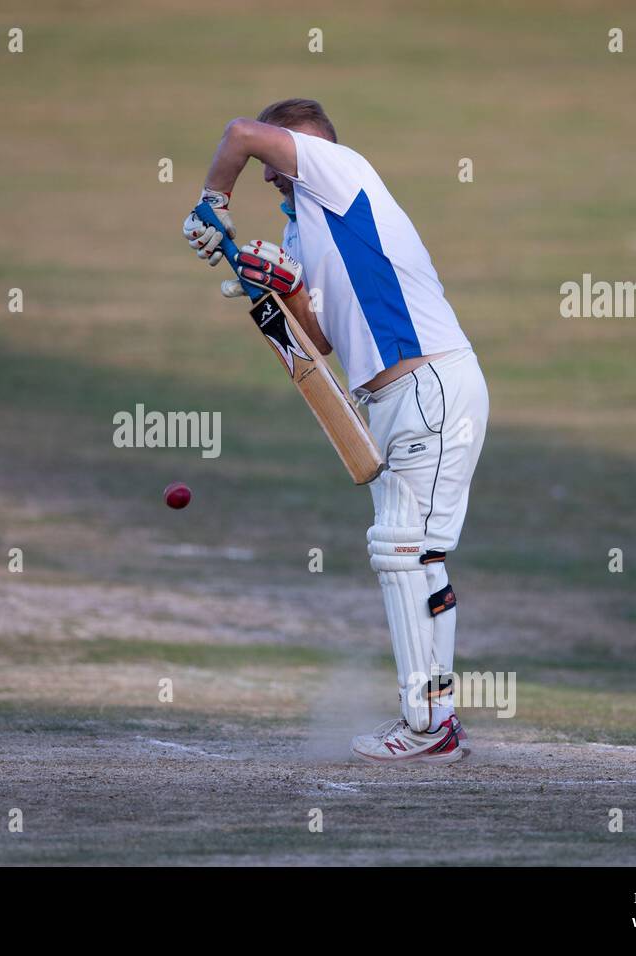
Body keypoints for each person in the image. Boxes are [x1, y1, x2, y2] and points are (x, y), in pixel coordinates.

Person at [183, 98, 489, 765]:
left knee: (402, 551)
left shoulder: (338, 170)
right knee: (417, 554)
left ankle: (428, 725)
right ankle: (437, 718)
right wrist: (275, 284)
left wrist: (211, 202)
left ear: (303, 147)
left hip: (428, 385)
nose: (268, 181)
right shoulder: (304, 228)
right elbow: (319, 340)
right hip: (398, 396)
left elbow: (241, 135)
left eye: (275, 168)